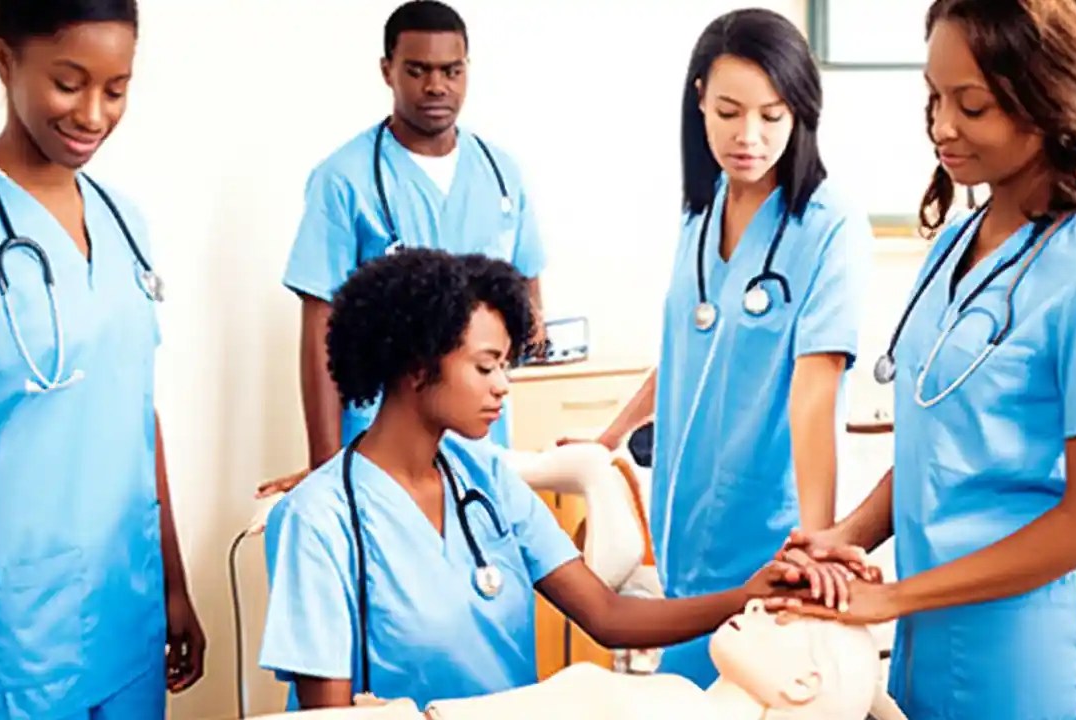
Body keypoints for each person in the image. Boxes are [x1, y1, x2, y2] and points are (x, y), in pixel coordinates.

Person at [256, 248, 843, 711]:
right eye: (485, 367)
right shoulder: (319, 519)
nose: (503, 386)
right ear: (417, 364)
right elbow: (326, 716)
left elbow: (607, 617)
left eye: (505, 366)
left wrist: (747, 596)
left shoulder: (486, 480)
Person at [775, 1, 1076, 717]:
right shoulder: (959, 241)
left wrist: (888, 597)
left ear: (1050, 102)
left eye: (971, 105)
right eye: (935, 98)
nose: (943, 127)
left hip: (1038, 656)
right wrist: (845, 537)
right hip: (937, 625)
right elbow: (938, 439)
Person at [0, 1, 205, 717]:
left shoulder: (126, 224)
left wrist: (172, 584)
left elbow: (134, 414)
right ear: (5, 61)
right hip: (5, 650)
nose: (93, 113)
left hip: (126, 620)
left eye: (116, 88)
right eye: (68, 83)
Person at [563, 8, 873, 687]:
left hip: (769, 535)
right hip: (685, 530)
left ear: (801, 113)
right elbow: (687, 351)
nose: (748, 136)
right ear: (698, 95)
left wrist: (815, 544)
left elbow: (815, 388)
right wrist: (609, 436)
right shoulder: (699, 213)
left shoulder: (829, 224)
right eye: (729, 111)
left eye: (771, 115)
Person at [257, 0, 548, 498]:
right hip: (382, 437)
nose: (436, 86)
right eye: (417, 70)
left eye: (451, 71)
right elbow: (319, 326)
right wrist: (327, 470)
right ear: (387, 70)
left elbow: (530, 302)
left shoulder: (502, 175)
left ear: (466, 72)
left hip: (481, 442)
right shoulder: (344, 180)